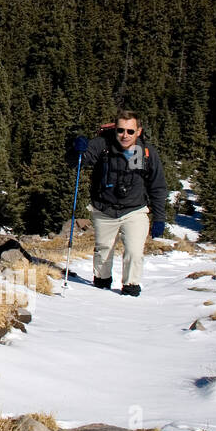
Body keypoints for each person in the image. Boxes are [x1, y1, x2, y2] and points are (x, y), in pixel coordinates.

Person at [67, 110, 168, 296]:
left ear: (138, 131)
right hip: (104, 209)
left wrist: (159, 218)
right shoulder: (102, 145)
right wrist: (75, 148)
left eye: (130, 131)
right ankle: (101, 285)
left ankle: (131, 288)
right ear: (115, 130)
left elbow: (158, 187)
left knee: (134, 251)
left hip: (135, 210)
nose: (125, 135)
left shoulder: (145, 152)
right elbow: (77, 162)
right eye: (121, 130)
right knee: (103, 251)